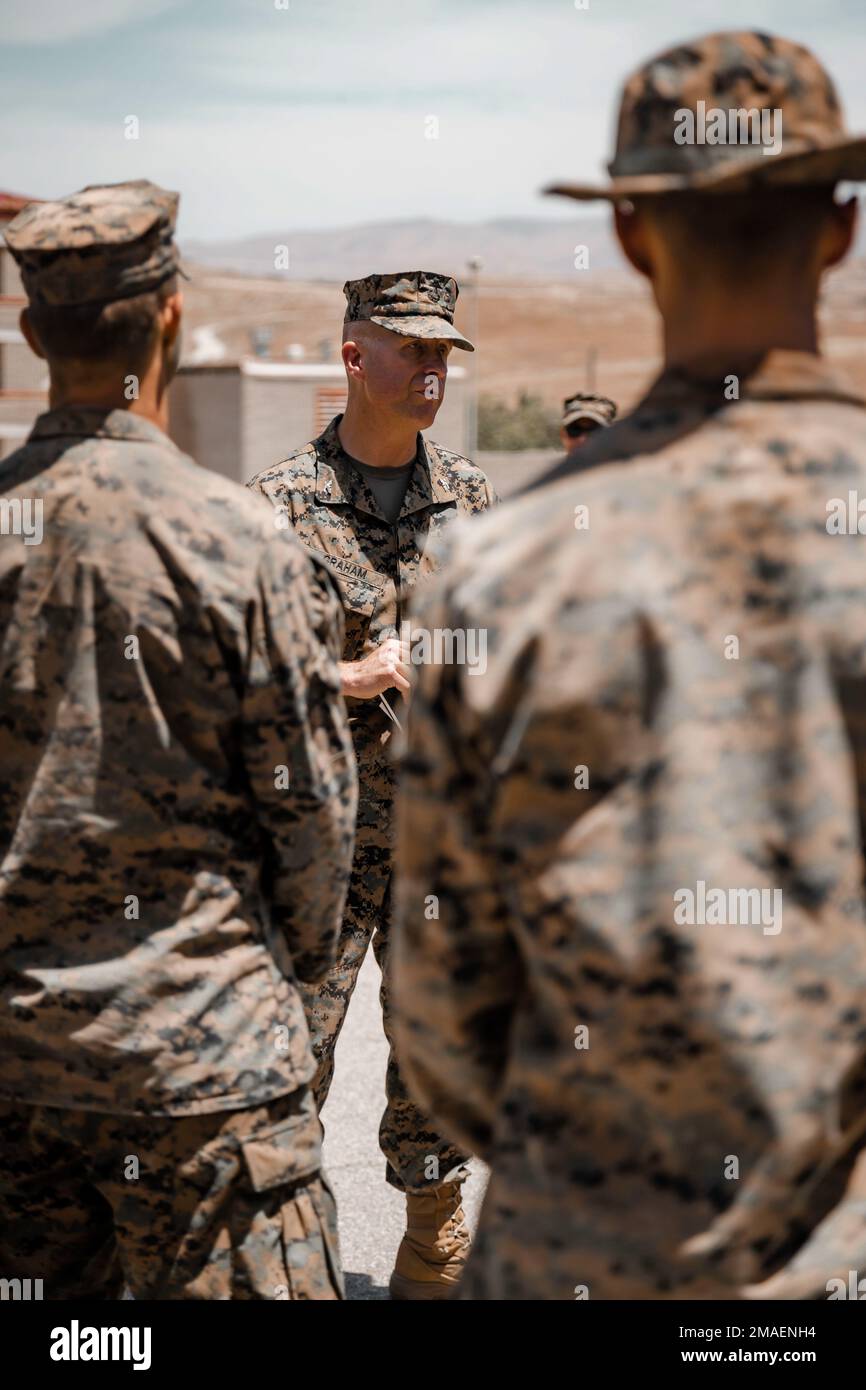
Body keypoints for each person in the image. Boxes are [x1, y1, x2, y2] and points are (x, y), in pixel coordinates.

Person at [392, 30, 866, 1300]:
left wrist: (592, 1166)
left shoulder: (501, 567)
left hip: (577, 1259)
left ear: (630, 235)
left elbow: (438, 992)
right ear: (837, 228)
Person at [0, 180, 357, 1300]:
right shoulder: (237, 536)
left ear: (29, 332)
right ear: (170, 321)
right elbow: (311, 815)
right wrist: (280, 976)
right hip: (204, 1075)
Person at [248, 270, 496, 1299]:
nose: (434, 367)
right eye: (414, 349)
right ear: (355, 357)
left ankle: (431, 1251)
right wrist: (346, 676)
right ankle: (296, 1267)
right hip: (316, 845)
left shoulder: (471, 496)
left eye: (444, 352)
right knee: (289, 1066)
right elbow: (232, 677)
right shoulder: (276, 506)